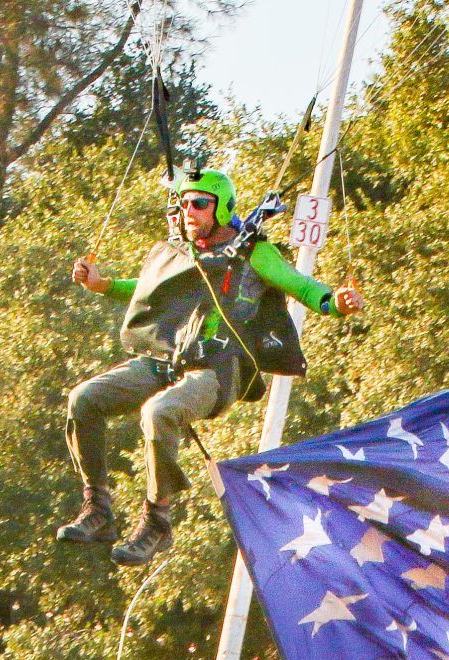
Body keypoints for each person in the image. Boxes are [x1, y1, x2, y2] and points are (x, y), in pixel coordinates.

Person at [59, 170, 365, 566]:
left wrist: (335, 302)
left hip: (217, 370)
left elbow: (301, 286)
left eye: (199, 203)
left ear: (221, 208)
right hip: (166, 361)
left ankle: (156, 520)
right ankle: (97, 508)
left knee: (160, 412)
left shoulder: (254, 253)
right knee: (84, 399)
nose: (189, 211)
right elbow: (149, 289)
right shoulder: (181, 252)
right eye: (184, 203)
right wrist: (105, 285)